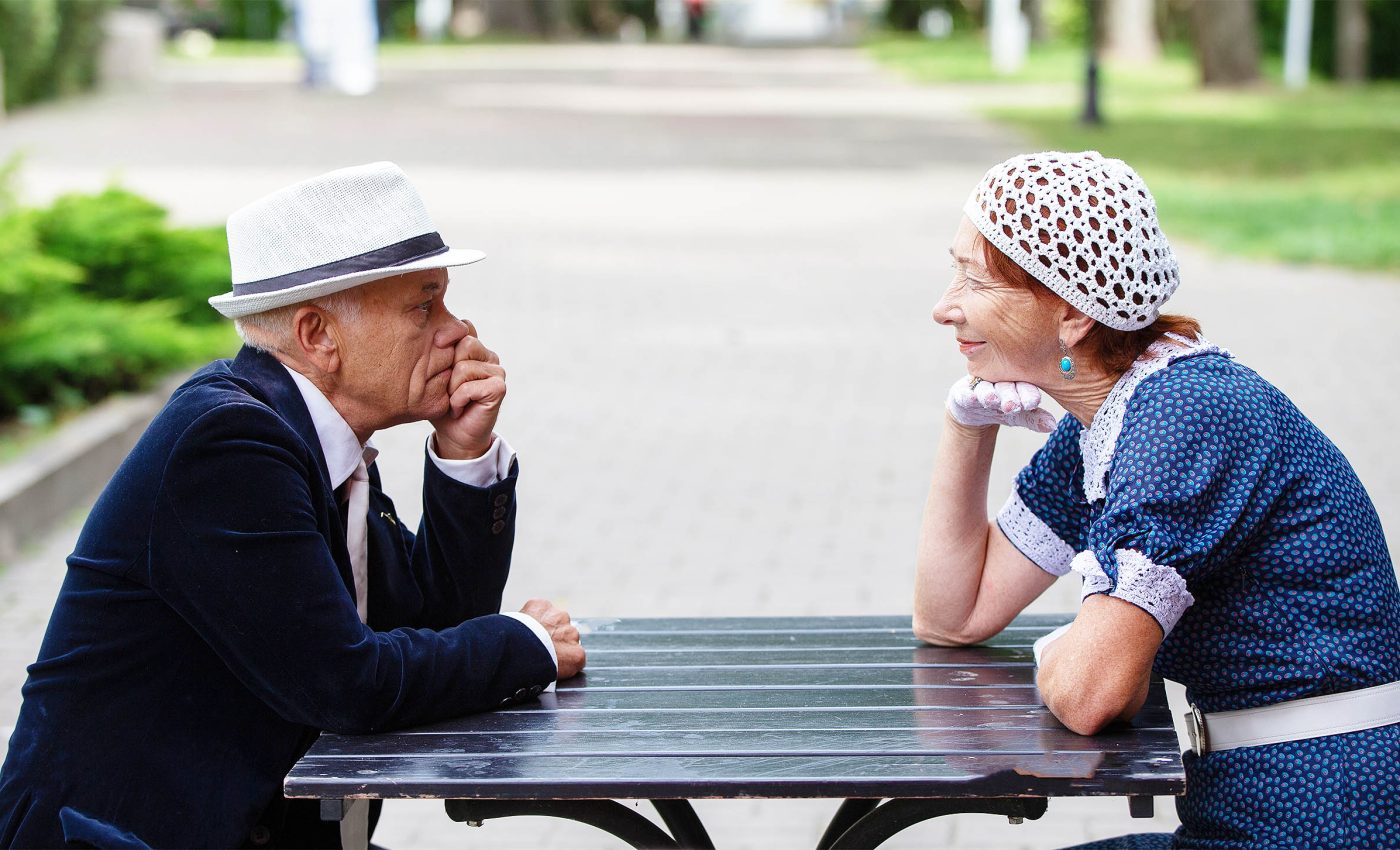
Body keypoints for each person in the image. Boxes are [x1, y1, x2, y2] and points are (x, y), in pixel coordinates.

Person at [0, 162, 586, 849]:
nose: (458, 330)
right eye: (423, 307)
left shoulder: (313, 438)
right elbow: (349, 684)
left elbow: (436, 628)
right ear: (318, 336)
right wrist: (526, 644)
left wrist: (464, 455)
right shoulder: (227, 445)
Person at [913, 150, 1400, 849]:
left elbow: (1090, 694)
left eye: (975, 279)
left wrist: (1064, 652)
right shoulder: (1110, 419)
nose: (944, 306)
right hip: (1255, 812)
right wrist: (966, 428)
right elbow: (952, 616)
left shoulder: (1184, 417)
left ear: (1072, 315)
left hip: (1329, 820)